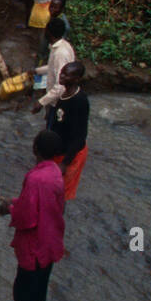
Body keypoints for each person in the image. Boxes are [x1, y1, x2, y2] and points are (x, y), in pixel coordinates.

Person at [0, 130, 66, 301]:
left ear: (34, 149)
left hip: (34, 243)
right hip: (51, 237)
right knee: (41, 281)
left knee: (23, 289)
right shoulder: (56, 172)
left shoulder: (35, 177)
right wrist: (15, 202)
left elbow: (27, 218)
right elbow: (44, 204)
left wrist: (9, 208)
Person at [45, 62, 89, 201]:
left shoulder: (79, 101)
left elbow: (79, 136)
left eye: (66, 75)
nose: (61, 76)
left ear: (76, 79)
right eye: (62, 72)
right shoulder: (64, 94)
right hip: (58, 149)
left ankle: (57, 220)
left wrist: (65, 163)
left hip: (70, 154)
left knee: (60, 194)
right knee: (49, 189)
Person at [32, 18, 76, 110]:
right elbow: (53, 67)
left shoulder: (60, 53)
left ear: (48, 32)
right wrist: (36, 71)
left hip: (58, 103)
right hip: (56, 99)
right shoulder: (61, 46)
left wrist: (41, 102)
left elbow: (60, 86)